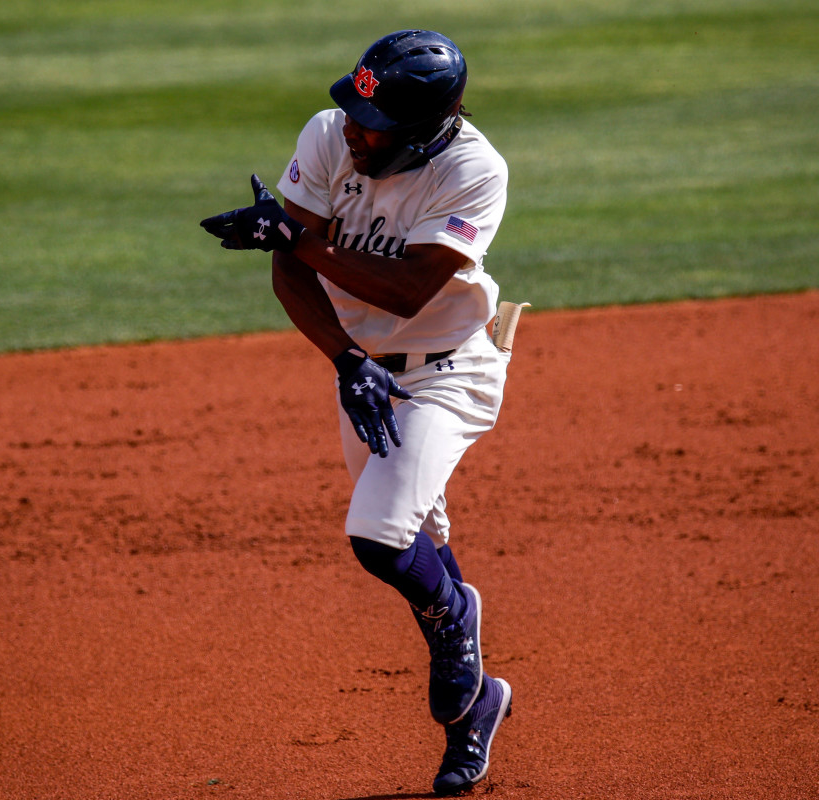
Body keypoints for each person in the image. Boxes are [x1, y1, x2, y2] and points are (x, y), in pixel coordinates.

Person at [201, 30, 514, 795]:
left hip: (450, 371)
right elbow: (289, 270)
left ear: (422, 131)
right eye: (351, 110)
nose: (351, 130)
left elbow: (409, 291)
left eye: (372, 125)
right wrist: (345, 360)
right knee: (420, 540)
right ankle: (478, 713)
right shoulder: (329, 133)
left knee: (378, 536)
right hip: (369, 373)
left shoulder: (473, 170)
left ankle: (457, 622)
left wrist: (294, 238)